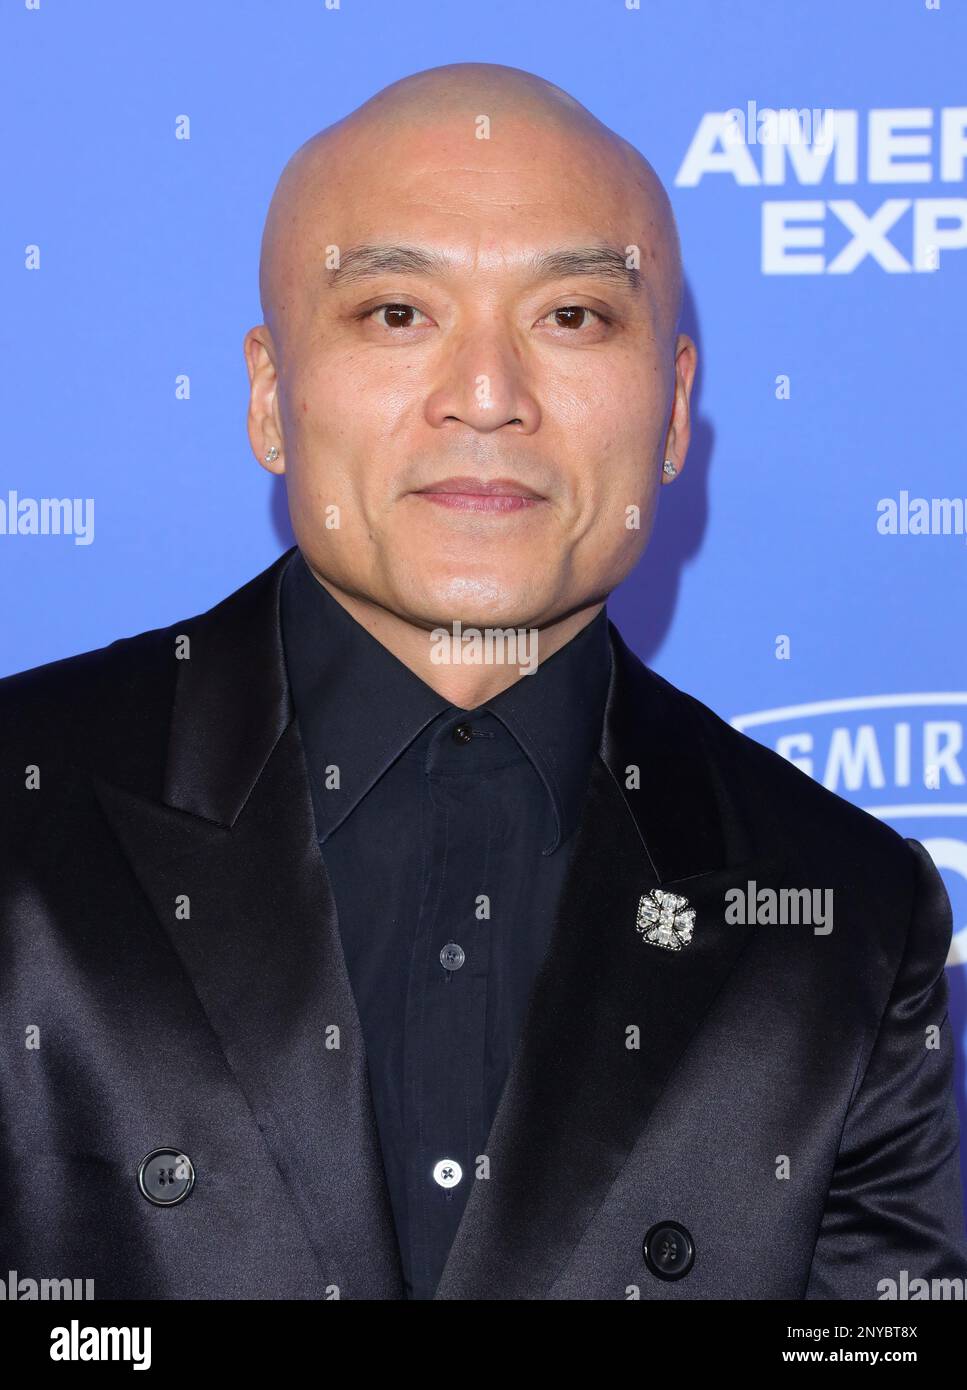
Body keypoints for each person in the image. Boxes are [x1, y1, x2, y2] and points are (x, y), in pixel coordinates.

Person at [1, 62, 964, 1301]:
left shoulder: (846, 914)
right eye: (397, 312)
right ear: (267, 397)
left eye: (571, 317)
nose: (487, 398)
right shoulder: (26, 806)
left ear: (672, 409)